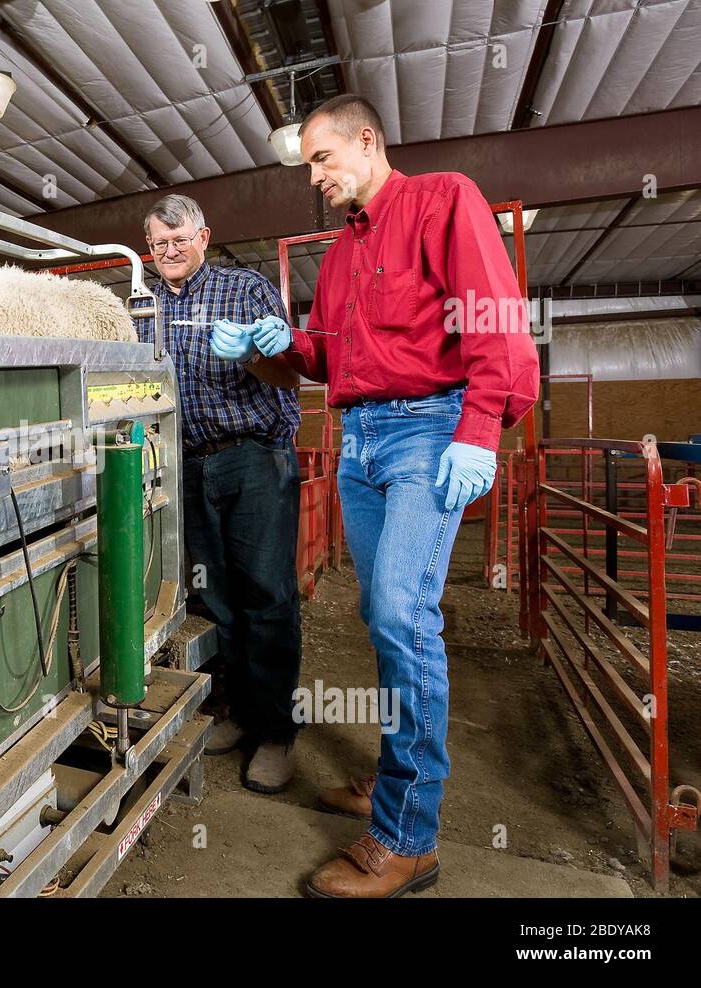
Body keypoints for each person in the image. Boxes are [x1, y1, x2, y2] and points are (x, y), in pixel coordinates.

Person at [246, 95, 539, 897]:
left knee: (401, 615)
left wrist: (480, 428)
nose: (315, 178)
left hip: (428, 429)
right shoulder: (340, 257)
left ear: (366, 140)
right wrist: (279, 347)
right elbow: (327, 360)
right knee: (385, 616)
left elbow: (493, 315)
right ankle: (393, 778)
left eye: (321, 159)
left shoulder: (444, 199)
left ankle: (408, 838)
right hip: (362, 439)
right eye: (310, 166)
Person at [133, 194, 304, 795]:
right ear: (148, 249)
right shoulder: (141, 307)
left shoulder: (246, 288)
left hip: (254, 457)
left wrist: (261, 350)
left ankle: (277, 731)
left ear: (204, 237)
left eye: (181, 240)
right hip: (184, 463)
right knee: (214, 594)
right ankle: (234, 709)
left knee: (267, 593)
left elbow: (292, 370)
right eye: (159, 243)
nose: (171, 251)